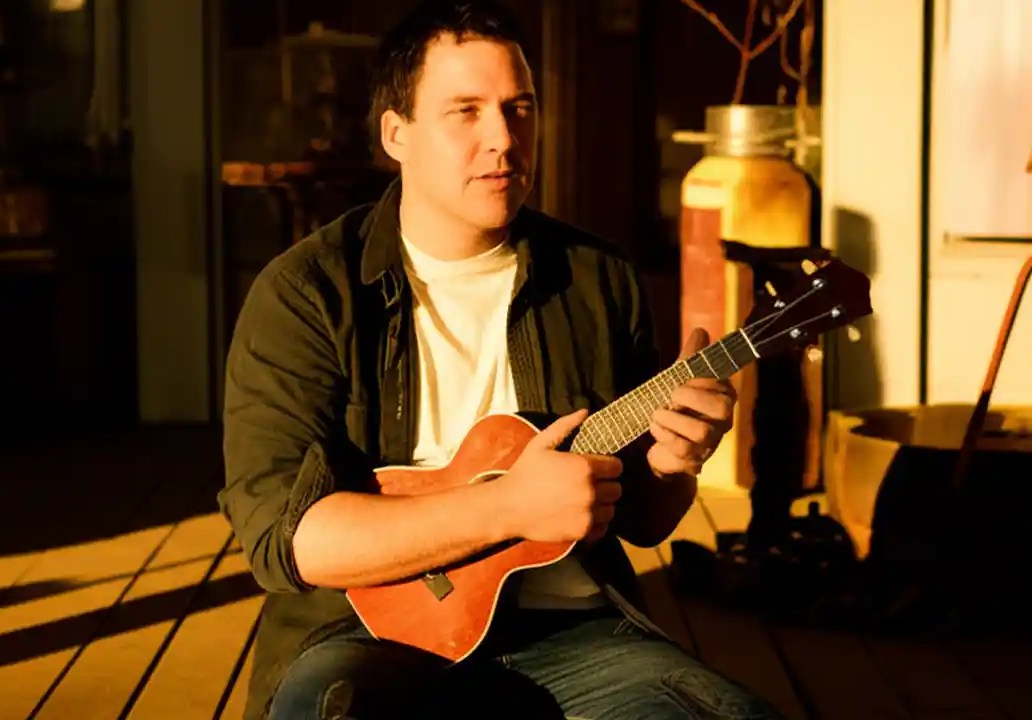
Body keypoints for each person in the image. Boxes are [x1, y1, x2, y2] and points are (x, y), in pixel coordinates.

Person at [219, 2, 782, 718]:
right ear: (397, 134)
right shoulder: (307, 294)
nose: (504, 139)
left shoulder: (596, 278)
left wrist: (673, 462)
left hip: (574, 631)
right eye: (466, 111)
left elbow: (639, 519)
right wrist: (507, 505)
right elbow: (288, 541)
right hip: (363, 634)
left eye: (520, 108)